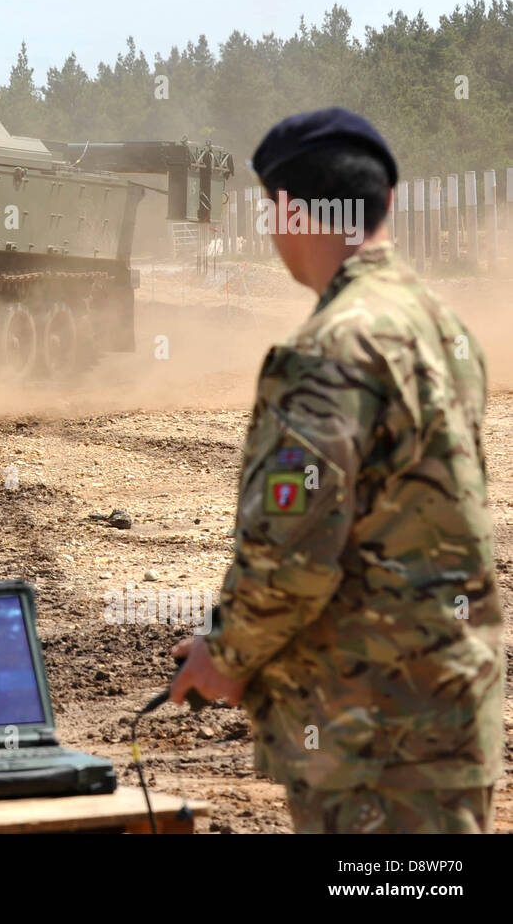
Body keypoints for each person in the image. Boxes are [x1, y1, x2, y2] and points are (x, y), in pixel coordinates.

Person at [169, 107, 505, 834]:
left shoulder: (332, 348)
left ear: (292, 208)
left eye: (271, 209)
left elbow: (294, 551)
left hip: (370, 733)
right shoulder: (441, 324)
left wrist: (224, 654)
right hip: (449, 710)